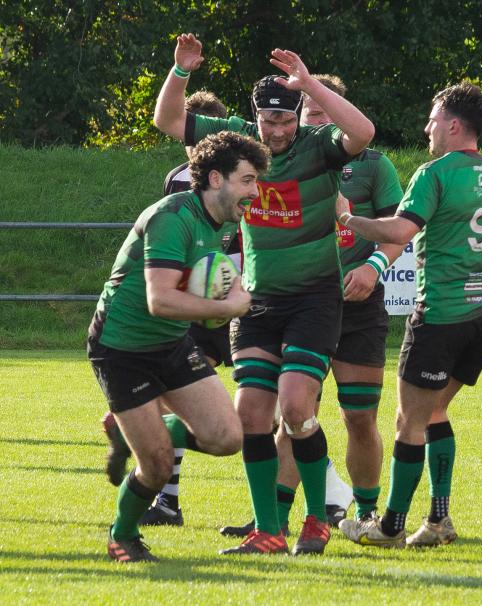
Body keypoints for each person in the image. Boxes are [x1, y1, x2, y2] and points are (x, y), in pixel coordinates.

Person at [153, 33, 375, 556]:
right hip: (258, 301)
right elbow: (168, 120)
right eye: (267, 120)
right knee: (251, 415)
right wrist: (181, 70)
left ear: (299, 116)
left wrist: (311, 84)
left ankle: (317, 520)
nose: (275, 131)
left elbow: (363, 131)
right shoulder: (236, 141)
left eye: (285, 120)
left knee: (297, 409)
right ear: (254, 115)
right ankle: (269, 530)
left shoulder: (319, 148)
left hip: (316, 298)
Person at [220, 74, 405, 538]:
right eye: (313, 115)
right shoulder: (282, 155)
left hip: (357, 301)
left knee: (359, 416)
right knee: (290, 412)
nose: (320, 124)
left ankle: (364, 511)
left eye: (327, 114)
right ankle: (276, 518)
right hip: (296, 301)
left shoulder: (373, 167)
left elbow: (401, 228)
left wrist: (374, 268)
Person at [337, 81, 482, 548]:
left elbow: (398, 228)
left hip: (441, 313)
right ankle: (438, 521)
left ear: (454, 125)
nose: (426, 128)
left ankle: (389, 526)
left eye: (433, 120)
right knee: (435, 411)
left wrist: (348, 219)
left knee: (407, 421)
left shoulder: (434, 173)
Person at [90, 131, 269, 562]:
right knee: (155, 464)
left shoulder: (218, 226)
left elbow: (192, 299)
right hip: (122, 348)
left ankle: (125, 429)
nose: (254, 192)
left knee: (227, 437)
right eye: (246, 181)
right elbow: (161, 299)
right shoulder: (173, 217)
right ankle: (122, 535)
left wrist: (220, 307)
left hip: (169, 344)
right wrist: (230, 305)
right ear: (214, 179)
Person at [135, 90, 232, 527]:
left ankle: (322, 498)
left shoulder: (238, 178)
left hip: (237, 295)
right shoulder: (177, 179)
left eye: (202, 133)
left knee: (265, 413)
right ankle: (168, 500)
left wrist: (231, 277)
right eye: (189, 134)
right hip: (198, 304)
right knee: (179, 394)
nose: (193, 144)